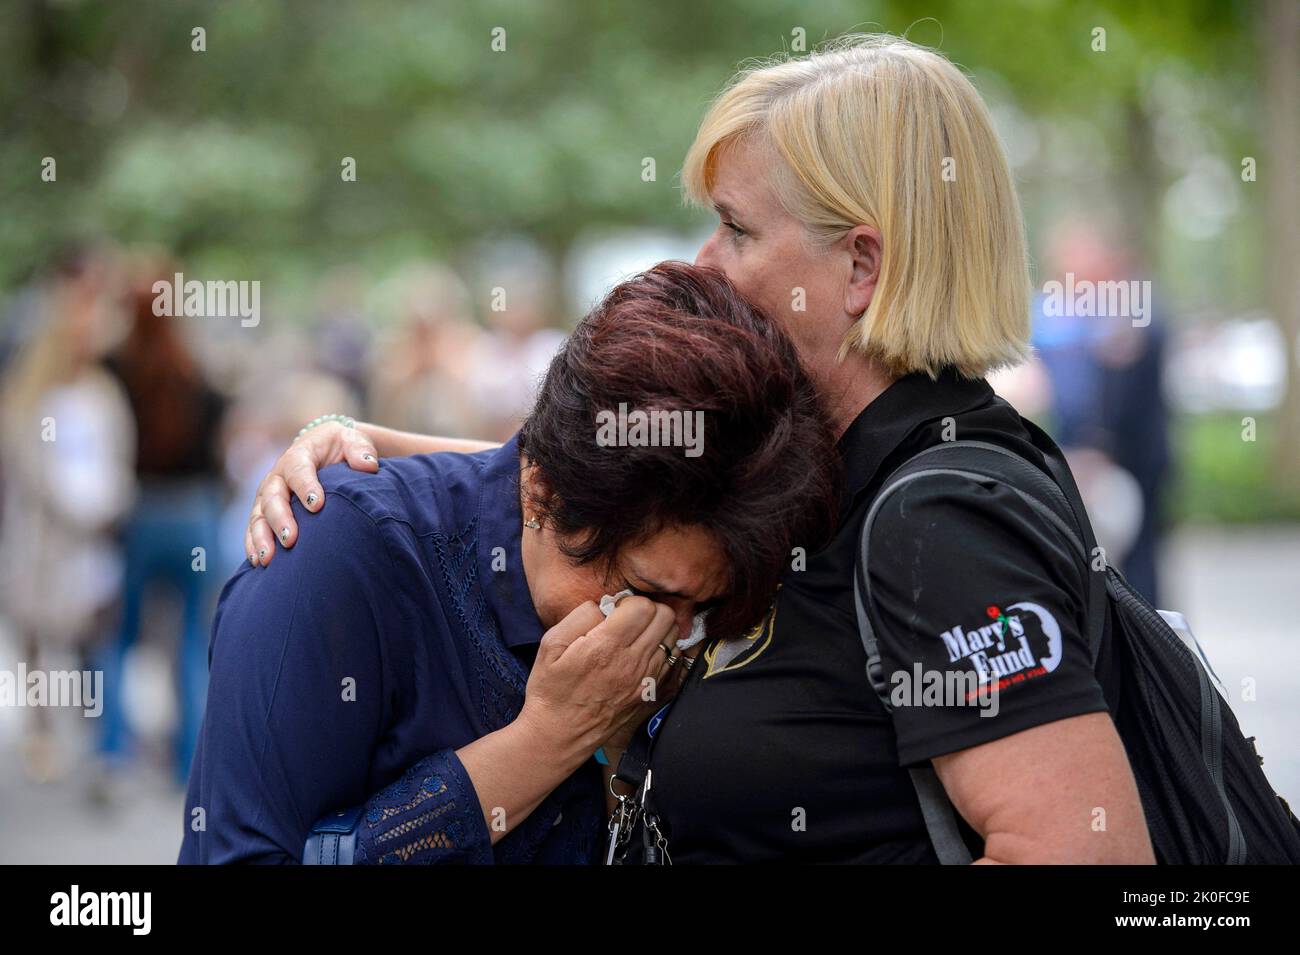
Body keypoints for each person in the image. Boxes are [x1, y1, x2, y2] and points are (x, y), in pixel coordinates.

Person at [240, 34, 1154, 863]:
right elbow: (617, 495)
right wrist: (361, 443)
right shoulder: (851, 466)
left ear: (861, 269)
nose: (704, 263)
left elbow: (1086, 855)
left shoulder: (934, 519)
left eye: (738, 228)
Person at [179, 262, 839, 863]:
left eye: (703, 611)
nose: (665, 639)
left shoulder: (629, 537)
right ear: (544, 494)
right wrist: (547, 740)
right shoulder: (342, 552)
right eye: (643, 592)